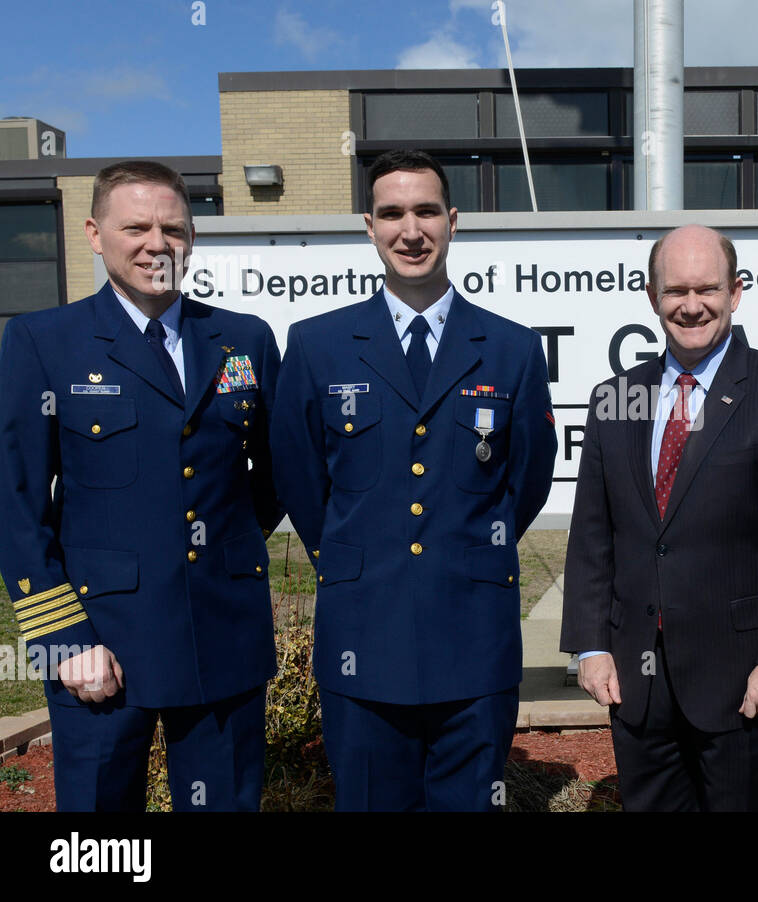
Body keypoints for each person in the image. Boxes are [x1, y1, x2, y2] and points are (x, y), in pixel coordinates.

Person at [270, 149, 556, 812]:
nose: (411, 229)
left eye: (427, 211)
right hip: (363, 634)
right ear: (368, 227)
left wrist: (468, 549)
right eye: (392, 213)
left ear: (453, 221)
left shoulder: (511, 349)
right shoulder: (318, 345)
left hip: (473, 634)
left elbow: (527, 478)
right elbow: (300, 477)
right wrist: (355, 556)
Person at [0, 161, 282, 811]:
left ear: (192, 238)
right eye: (136, 227)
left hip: (223, 632)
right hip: (102, 638)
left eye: (173, 228)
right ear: (96, 234)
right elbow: (16, 504)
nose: (157, 243)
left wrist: (228, 552)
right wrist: (62, 639)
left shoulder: (244, 339)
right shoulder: (45, 341)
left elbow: (276, 476)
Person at [560, 224, 758, 812]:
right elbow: (593, 533)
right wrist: (590, 646)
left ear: (736, 292)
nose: (692, 306)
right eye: (675, 291)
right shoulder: (614, 396)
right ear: (651, 296)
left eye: (708, 289)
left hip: (744, 683)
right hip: (637, 684)